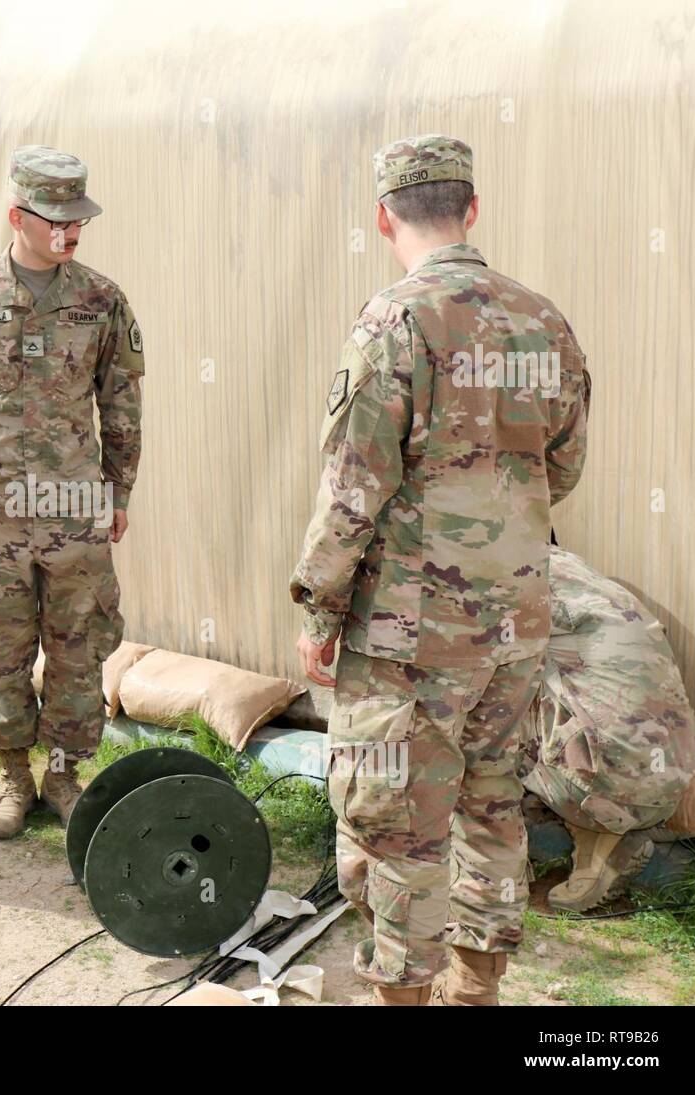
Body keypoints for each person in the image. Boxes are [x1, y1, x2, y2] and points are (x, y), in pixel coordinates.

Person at [289, 135, 591, 1005]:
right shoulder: (544, 320)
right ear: (472, 208)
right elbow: (561, 467)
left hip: (409, 630)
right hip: (516, 619)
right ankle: (477, 988)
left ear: (384, 217)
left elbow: (353, 488)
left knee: (400, 829)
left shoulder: (395, 321)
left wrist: (318, 611)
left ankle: (405, 997)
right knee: (495, 803)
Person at [0, 145, 144, 838]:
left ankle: (67, 774)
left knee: (81, 644)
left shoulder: (101, 300)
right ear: (17, 216)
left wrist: (119, 489)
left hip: (75, 508)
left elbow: (123, 400)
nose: (71, 232)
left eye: (79, 219)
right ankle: (13, 777)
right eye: (57, 220)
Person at [523, 546, 695, 911]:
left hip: (604, 782)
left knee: (475, 708)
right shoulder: (581, 577)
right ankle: (601, 841)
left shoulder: (500, 576)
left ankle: (494, 862)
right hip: (675, 779)